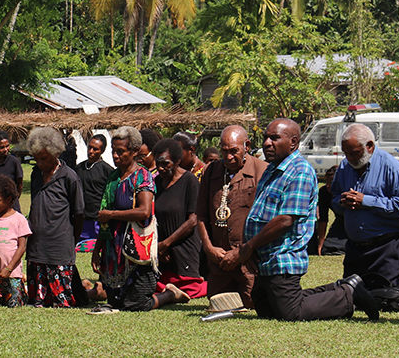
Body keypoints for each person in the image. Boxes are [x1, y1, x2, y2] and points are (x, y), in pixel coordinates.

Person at [220, 118, 380, 321]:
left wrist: (249, 246)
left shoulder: (299, 171)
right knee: (266, 309)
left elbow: (286, 219)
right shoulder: (272, 169)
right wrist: (251, 249)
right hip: (265, 258)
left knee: (291, 312)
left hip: (282, 256)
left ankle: (348, 295)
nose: (267, 143)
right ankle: (343, 286)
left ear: (293, 142)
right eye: (266, 137)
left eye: (275, 138)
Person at [92, 126, 184, 313]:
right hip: (113, 246)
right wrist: (97, 249)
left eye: (121, 152)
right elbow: (104, 215)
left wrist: (112, 214)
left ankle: (169, 295)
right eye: (113, 152)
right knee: (117, 303)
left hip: (135, 246)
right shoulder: (113, 177)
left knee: (137, 304)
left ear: (134, 152)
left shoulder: (143, 176)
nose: (116, 156)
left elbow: (144, 211)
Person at [196, 125, 268, 309]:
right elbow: (201, 215)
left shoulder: (263, 172)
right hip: (219, 262)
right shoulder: (210, 172)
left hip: (249, 262)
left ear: (247, 146)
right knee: (219, 304)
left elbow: (267, 221)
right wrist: (209, 247)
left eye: (234, 151)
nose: (229, 157)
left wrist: (242, 252)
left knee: (252, 304)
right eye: (224, 151)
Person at [331, 124, 399, 286]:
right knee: (352, 295)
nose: (351, 158)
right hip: (355, 247)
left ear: (369, 146)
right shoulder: (345, 167)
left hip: (386, 246)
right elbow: (334, 197)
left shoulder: (391, 166)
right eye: (346, 154)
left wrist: (366, 201)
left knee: (383, 297)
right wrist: (342, 202)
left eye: (355, 153)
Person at [24, 127, 85, 308]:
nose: (40, 163)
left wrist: (72, 240)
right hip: (37, 244)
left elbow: (79, 213)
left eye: (44, 158)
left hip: (60, 244)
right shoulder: (36, 174)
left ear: (55, 153)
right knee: (37, 300)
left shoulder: (69, 177)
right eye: (37, 158)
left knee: (60, 301)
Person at [152, 138, 207, 301]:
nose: (161, 168)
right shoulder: (156, 183)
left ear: (177, 161)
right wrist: (159, 247)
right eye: (158, 163)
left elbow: (193, 220)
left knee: (189, 287)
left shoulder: (189, 181)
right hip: (161, 250)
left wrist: (167, 243)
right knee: (155, 283)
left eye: (166, 164)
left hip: (183, 246)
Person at [0, 175, 32, 307]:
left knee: (14, 303)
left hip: (12, 274)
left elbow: (22, 247)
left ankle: (22, 291)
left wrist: (8, 269)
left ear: (9, 199)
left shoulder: (19, 220)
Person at [76, 134, 114, 241]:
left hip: (97, 219)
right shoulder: (79, 168)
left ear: (102, 151)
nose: (91, 151)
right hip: (82, 217)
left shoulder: (108, 170)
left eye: (95, 149)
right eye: (89, 147)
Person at [309, 167, 337, 255]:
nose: (328, 185)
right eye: (327, 182)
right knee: (326, 249)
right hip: (339, 225)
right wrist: (320, 244)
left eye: (331, 182)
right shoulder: (324, 192)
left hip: (352, 225)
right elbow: (323, 219)